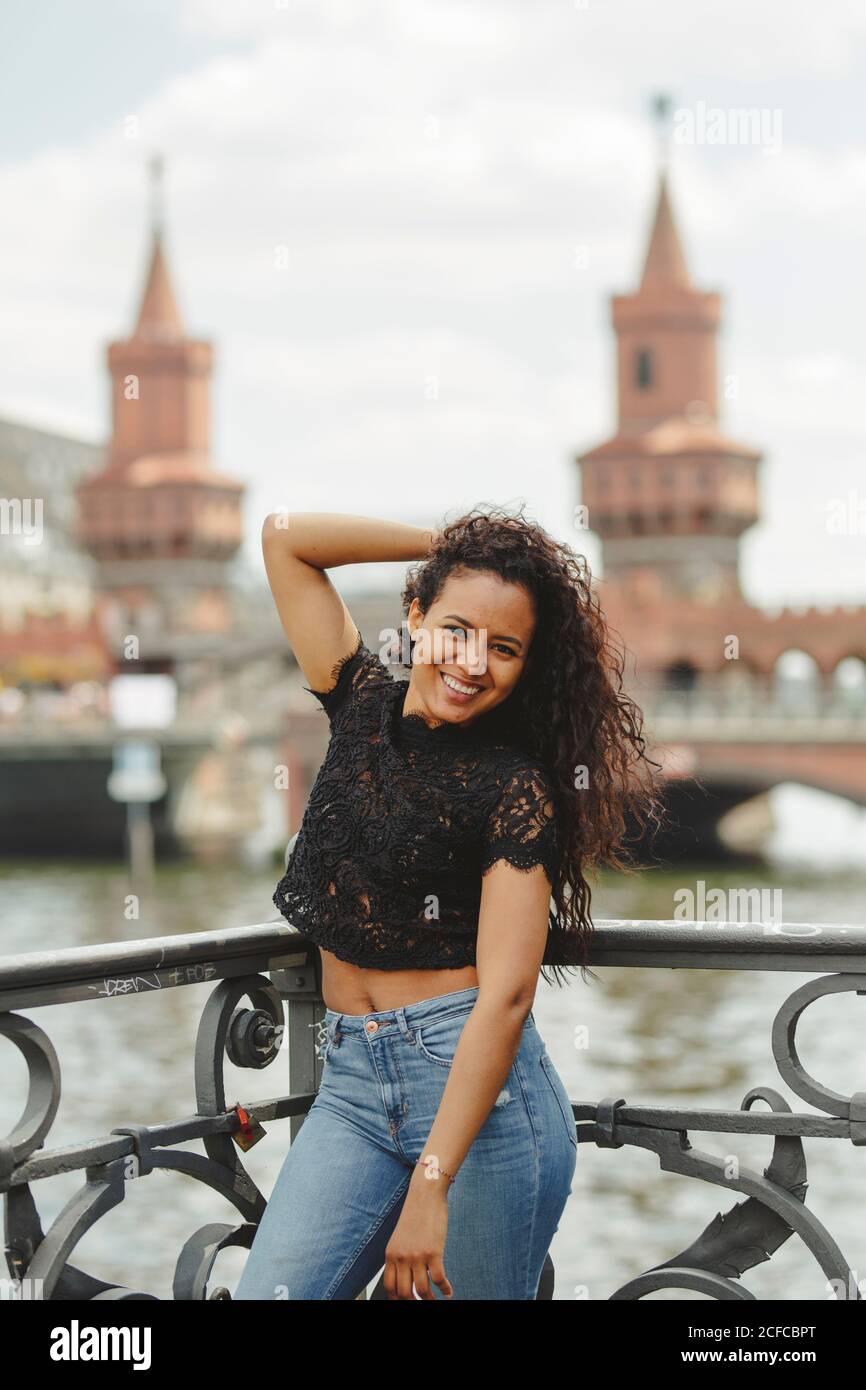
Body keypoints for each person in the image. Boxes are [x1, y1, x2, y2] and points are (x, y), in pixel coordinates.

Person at [233, 505, 663, 1301]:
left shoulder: (513, 788)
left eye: (505, 648)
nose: (473, 662)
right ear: (414, 615)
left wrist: (431, 1184)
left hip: (486, 1107)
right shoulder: (356, 702)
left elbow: (505, 997)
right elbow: (285, 539)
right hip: (353, 1086)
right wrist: (455, 547)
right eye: (456, 629)